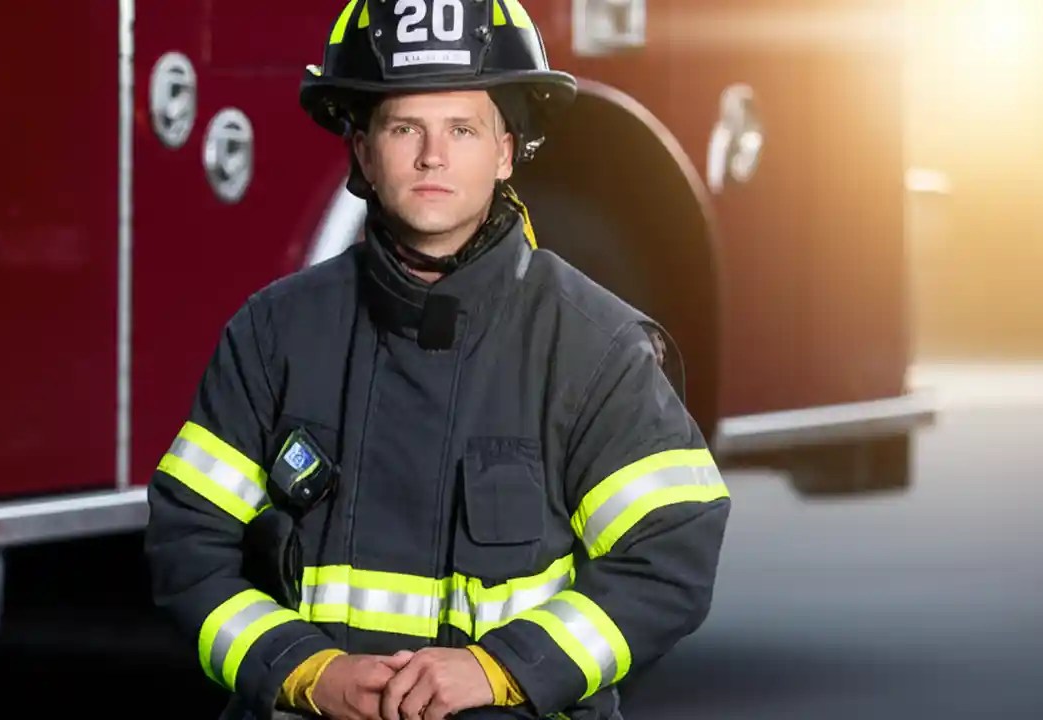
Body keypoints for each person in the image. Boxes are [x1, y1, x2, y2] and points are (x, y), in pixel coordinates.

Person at [143, 1, 731, 719]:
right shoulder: (274, 335)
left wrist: (501, 671)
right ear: (362, 150)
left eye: (462, 128)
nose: (432, 156)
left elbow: (669, 556)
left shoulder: (592, 346)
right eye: (403, 128)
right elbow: (187, 545)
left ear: (506, 150)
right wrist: (305, 672)